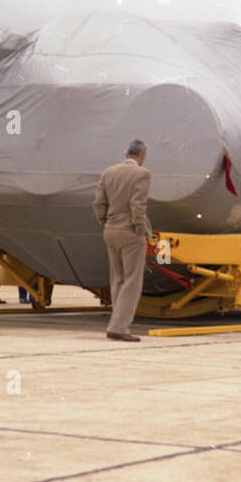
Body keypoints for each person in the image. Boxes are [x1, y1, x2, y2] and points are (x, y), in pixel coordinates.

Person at [93, 139, 153, 342]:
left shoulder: (108, 173)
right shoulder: (141, 174)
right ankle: (119, 327)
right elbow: (138, 205)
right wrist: (138, 229)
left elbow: (98, 204)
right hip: (130, 232)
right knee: (132, 281)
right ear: (142, 155)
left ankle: (115, 324)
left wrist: (106, 222)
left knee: (117, 279)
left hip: (110, 230)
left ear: (126, 153)